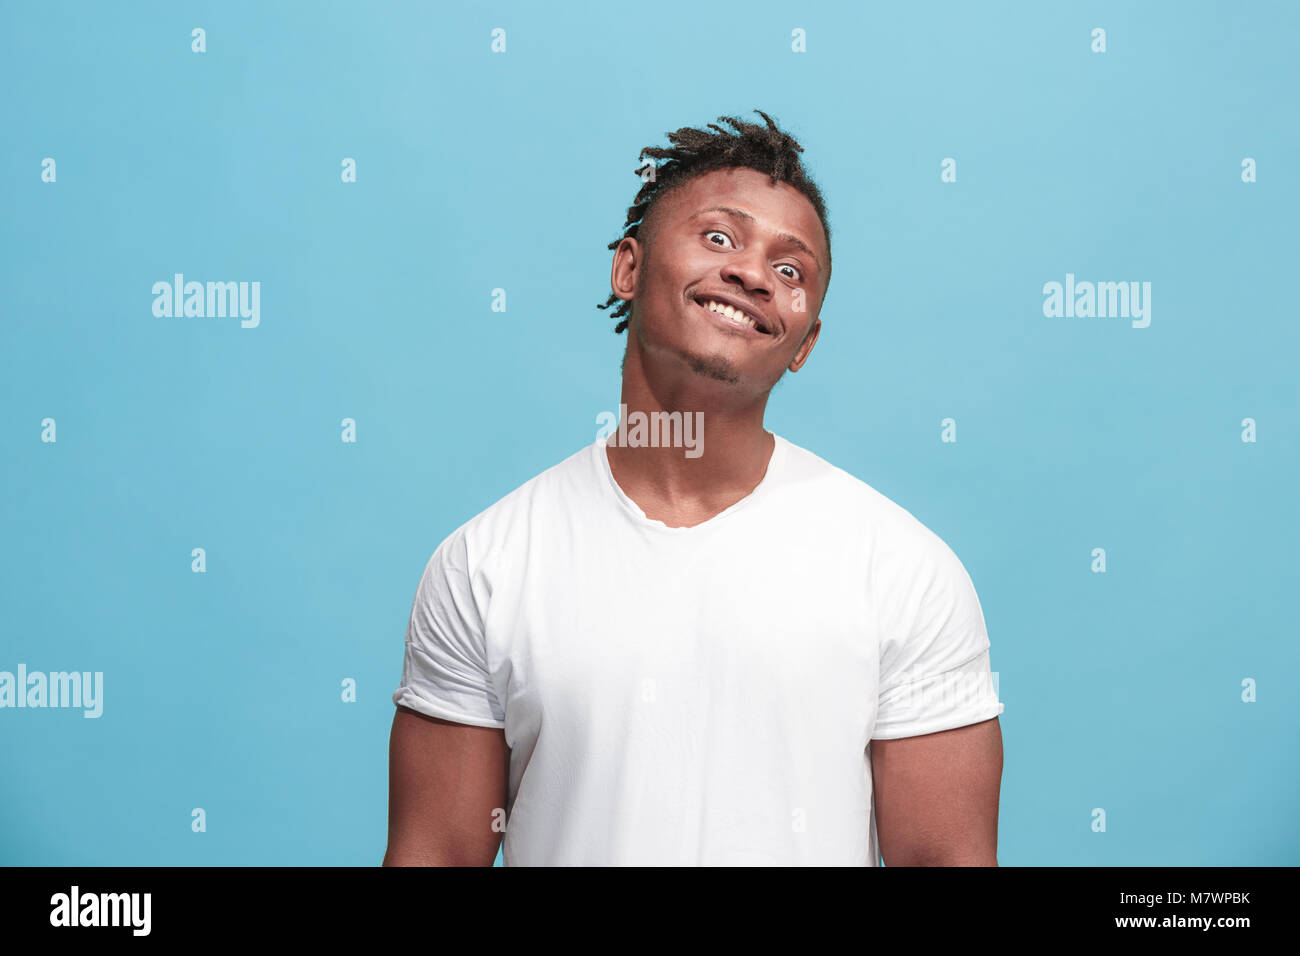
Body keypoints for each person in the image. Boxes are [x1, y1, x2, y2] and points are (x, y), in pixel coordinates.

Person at [383, 110, 1005, 866]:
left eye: (791, 270)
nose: (752, 273)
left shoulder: (905, 570)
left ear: (805, 342)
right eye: (719, 237)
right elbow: (438, 854)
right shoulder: (483, 564)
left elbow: (945, 859)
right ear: (628, 268)